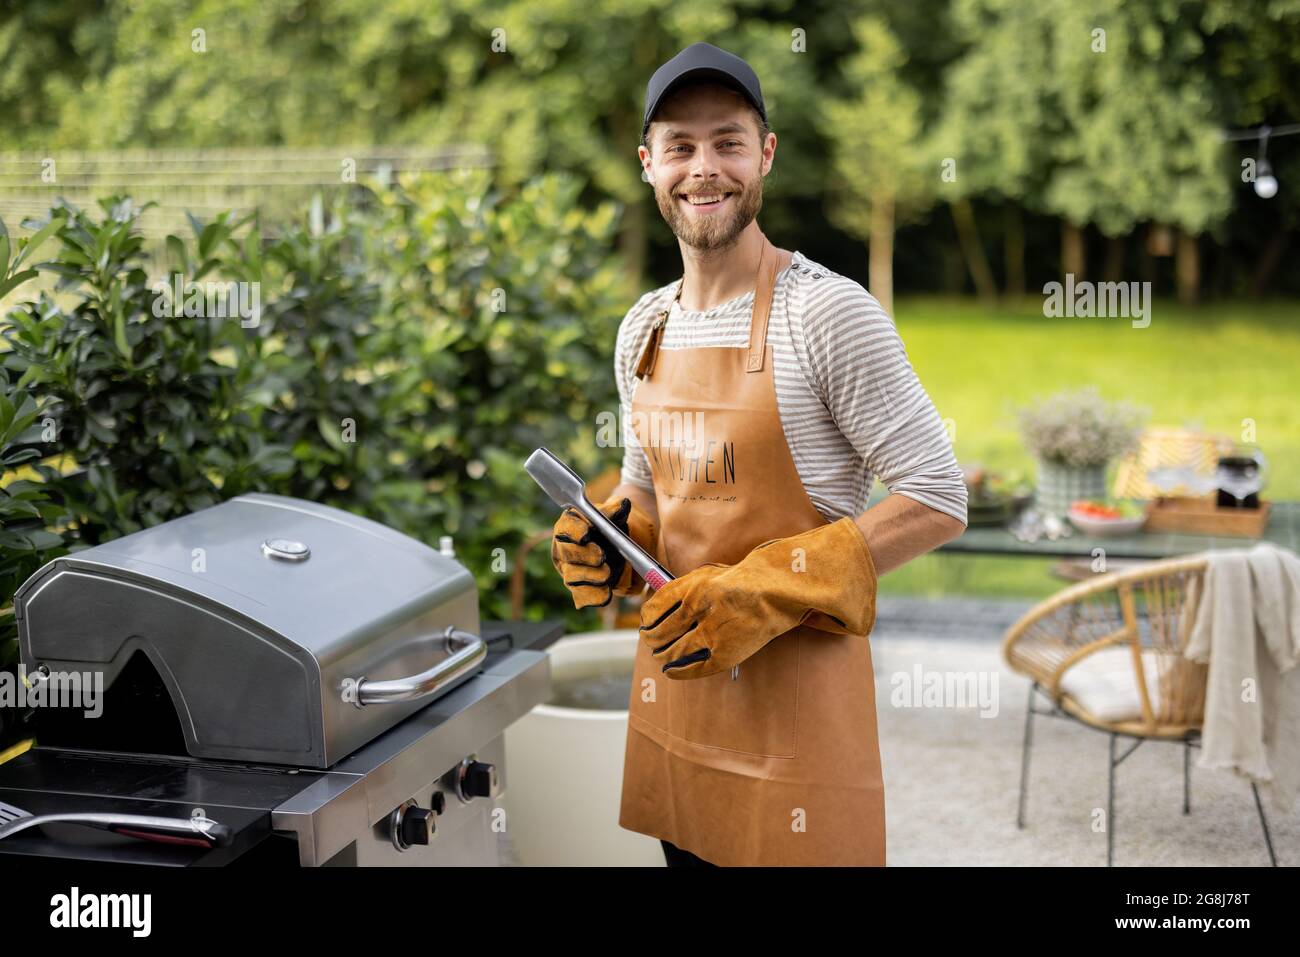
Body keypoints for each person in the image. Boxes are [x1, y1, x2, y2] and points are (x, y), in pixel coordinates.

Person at [550, 42, 968, 867]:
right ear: (648, 164)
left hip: (798, 736)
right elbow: (649, 491)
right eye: (680, 146)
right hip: (683, 707)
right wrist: (612, 537)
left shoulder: (827, 314)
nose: (704, 169)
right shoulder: (644, 327)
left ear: (765, 153)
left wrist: (766, 587)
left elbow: (938, 495)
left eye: (728, 141)